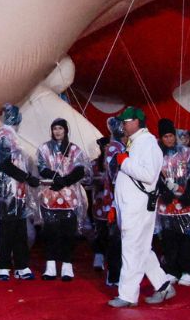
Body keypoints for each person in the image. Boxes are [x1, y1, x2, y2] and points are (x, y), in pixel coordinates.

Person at [106, 107, 175, 308]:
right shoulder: (135, 142)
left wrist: (125, 162)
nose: (123, 125)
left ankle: (127, 295)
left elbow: (148, 175)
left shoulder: (149, 144)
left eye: (126, 121)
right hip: (129, 206)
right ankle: (163, 286)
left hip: (138, 206)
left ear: (137, 121)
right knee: (141, 249)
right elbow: (124, 180)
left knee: (131, 249)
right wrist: (115, 205)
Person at [33, 118, 89, 280]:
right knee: (50, 232)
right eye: (54, 128)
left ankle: (67, 266)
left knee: (68, 233)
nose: (57, 131)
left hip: (69, 198)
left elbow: (80, 169)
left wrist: (65, 181)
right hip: (49, 196)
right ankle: (50, 266)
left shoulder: (74, 149)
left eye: (60, 128)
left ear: (66, 130)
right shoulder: (44, 148)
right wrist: (54, 177)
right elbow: (42, 167)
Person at [0, 104, 36, 280]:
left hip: (16, 190)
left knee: (19, 227)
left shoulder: (11, 136)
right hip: (7, 190)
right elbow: (4, 164)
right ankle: (4, 266)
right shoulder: (4, 136)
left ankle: (21, 265)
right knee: (8, 228)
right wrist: (27, 177)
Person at [155, 119, 190, 286]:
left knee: (187, 237)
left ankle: (189, 271)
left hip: (185, 203)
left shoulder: (186, 153)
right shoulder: (156, 154)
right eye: (165, 136)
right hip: (166, 204)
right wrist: (163, 191)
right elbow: (154, 177)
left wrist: (189, 193)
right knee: (169, 237)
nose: (168, 139)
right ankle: (172, 270)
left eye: (170, 136)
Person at [87, 138, 117, 276]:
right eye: (104, 147)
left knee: (114, 233)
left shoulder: (119, 163)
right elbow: (87, 180)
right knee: (100, 230)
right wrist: (97, 180)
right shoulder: (94, 164)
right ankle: (99, 255)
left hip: (115, 203)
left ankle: (112, 259)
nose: (107, 150)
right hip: (100, 203)